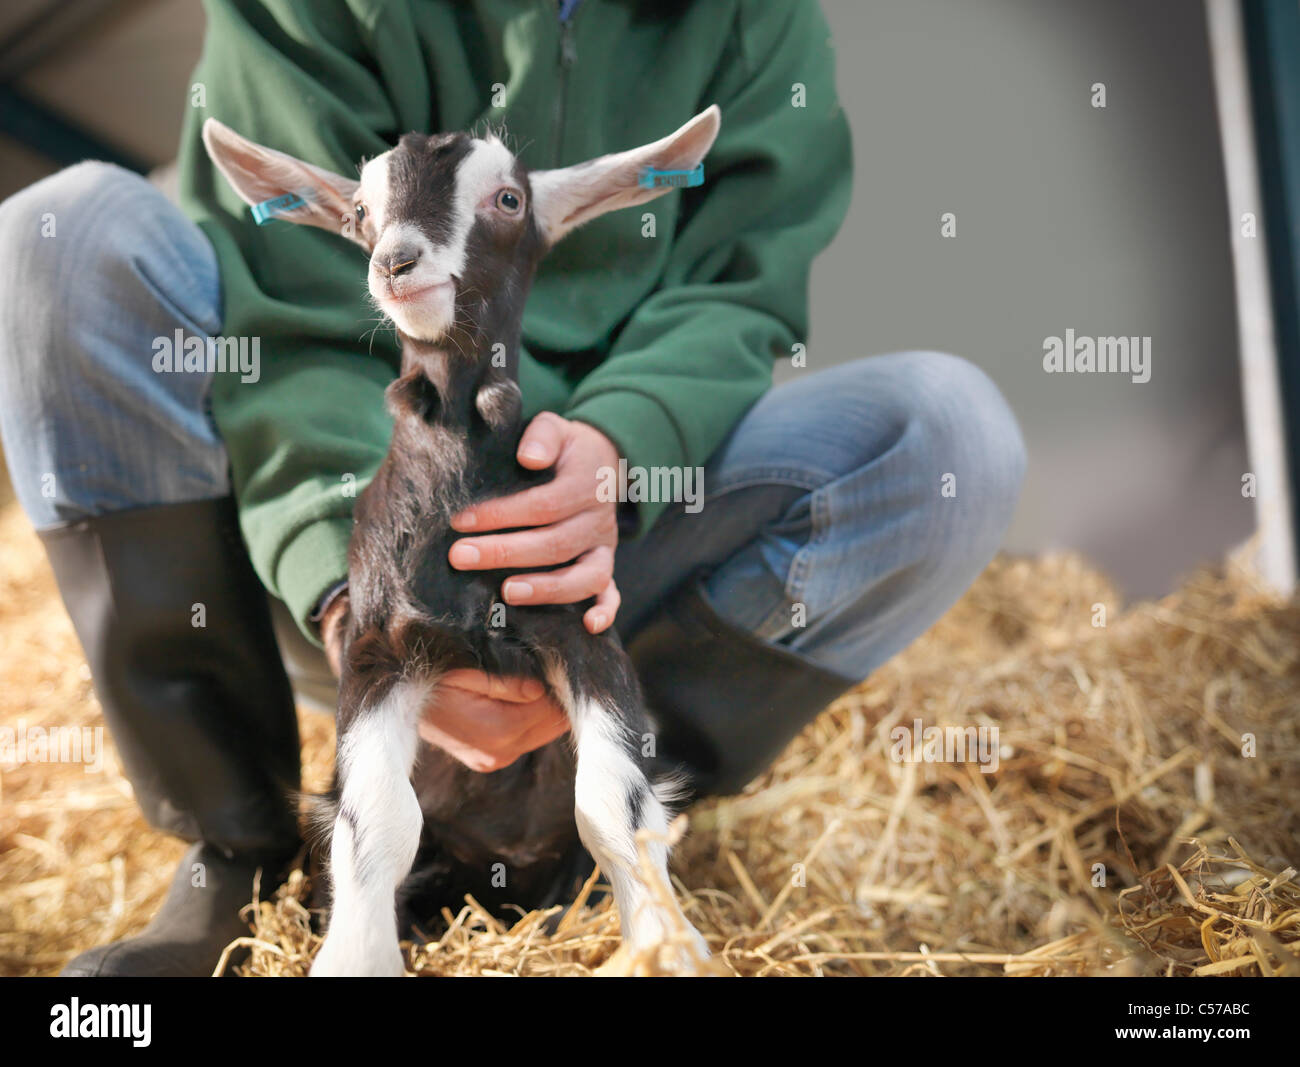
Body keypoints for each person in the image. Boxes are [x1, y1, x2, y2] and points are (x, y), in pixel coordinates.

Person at [0, 0, 1026, 977]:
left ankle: (589, 810)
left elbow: (739, 286)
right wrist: (352, 584)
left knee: (945, 432)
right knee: (66, 233)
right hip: (341, 564)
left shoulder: (751, 15)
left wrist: (622, 450)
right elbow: (297, 313)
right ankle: (239, 846)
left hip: (597, 572)